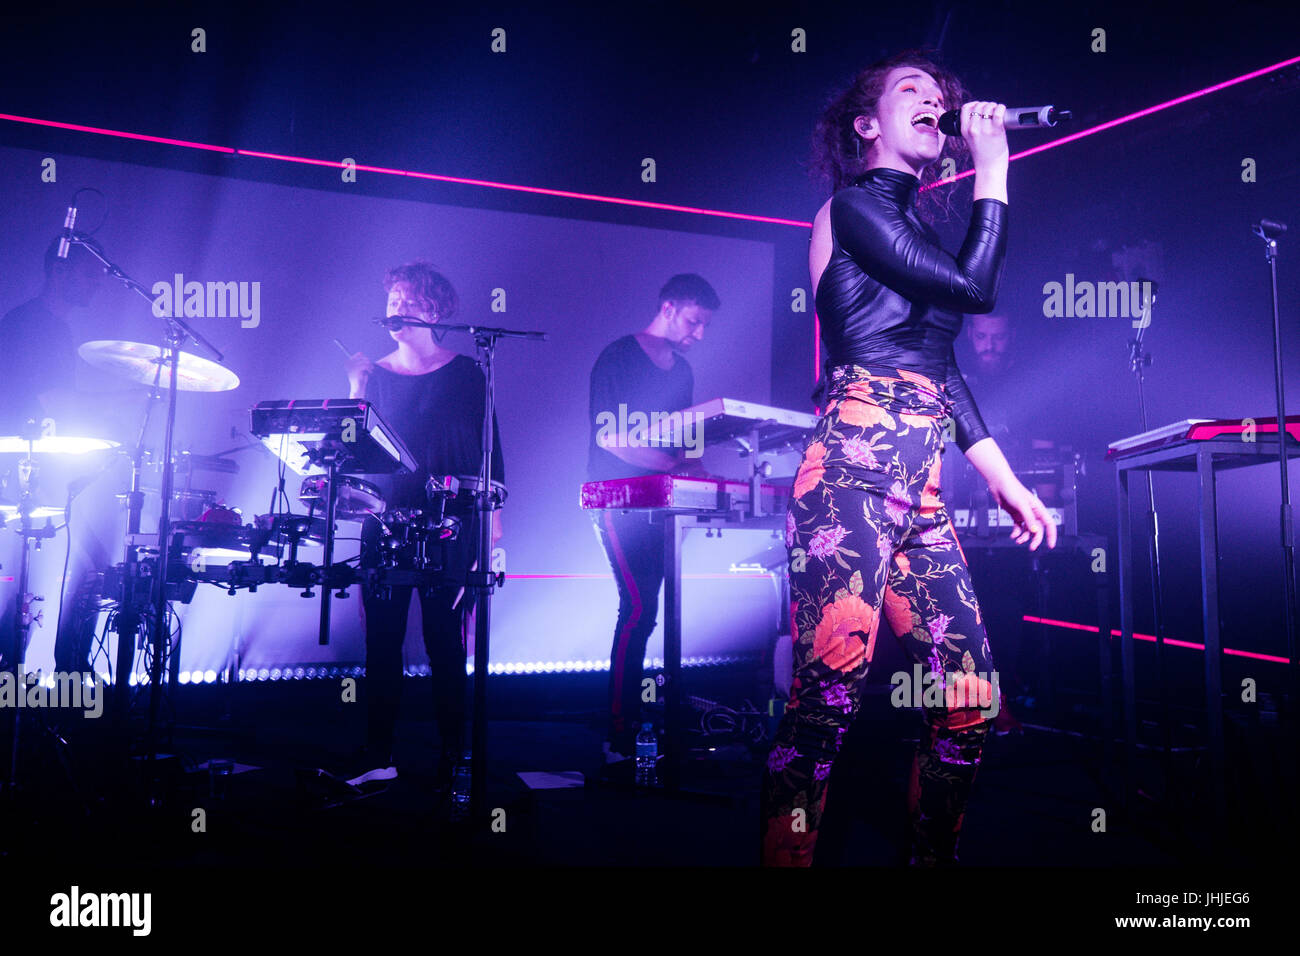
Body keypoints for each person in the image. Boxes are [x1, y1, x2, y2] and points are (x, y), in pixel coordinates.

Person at [761, 51, 1055, 866]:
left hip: (917, 489)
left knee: (968, 698)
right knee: (826, 702)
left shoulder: (915, 226)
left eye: (942, 97)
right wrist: (995, 173)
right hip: (851, 474)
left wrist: (1004, 480)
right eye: (912, 94)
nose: (936, 103)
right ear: (868, 124)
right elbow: (975, 290)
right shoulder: (854, 207)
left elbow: (942, 367)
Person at [342, 260, 504, 790]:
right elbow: (354, 449)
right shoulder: (377, 376)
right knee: (381, 644)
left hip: (451, 524)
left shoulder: (466, 373)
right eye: (391, 302)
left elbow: (489, 455)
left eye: (405, 301)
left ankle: (455, 754)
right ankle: (377, 753)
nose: (394, 310)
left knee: (445, 640)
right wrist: (355, 386)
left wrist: (494, 529)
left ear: (434, 310)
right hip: (386, 523)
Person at [587, 274, 718, 763]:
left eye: (704, 325)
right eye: (694, 321)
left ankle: (648, 725)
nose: (699, 333)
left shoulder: (681, 372)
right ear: (667, 308)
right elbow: (610, 439)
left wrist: (697, 467)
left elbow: (686, 438)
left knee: (658, 613)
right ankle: (619, 734)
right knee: (638, 609)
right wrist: (675, 466)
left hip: (662, 502)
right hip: (616, 499)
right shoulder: (617, 357)